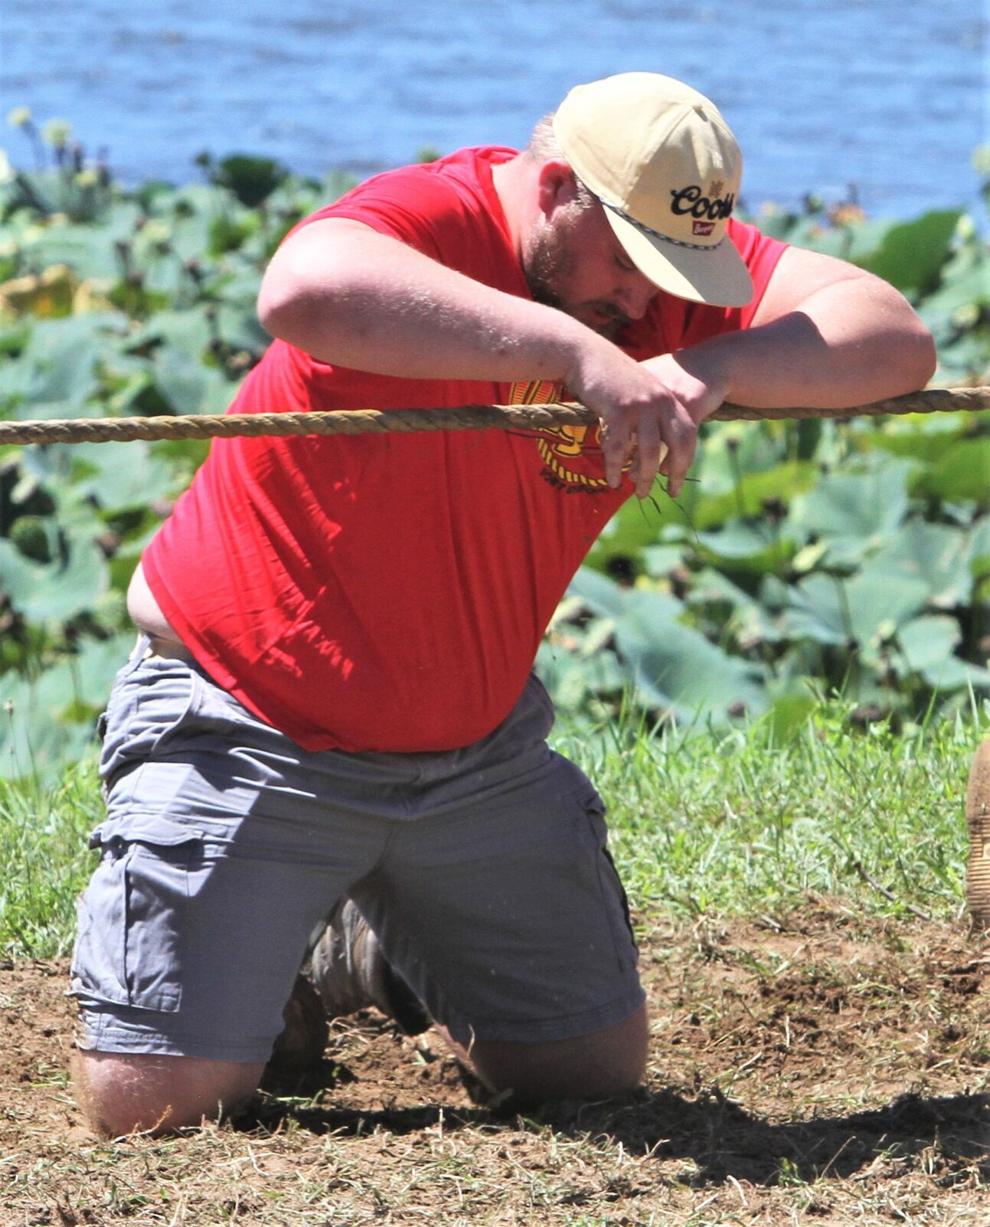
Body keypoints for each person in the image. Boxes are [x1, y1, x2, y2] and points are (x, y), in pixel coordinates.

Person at [69, 72, 935, 1137]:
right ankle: (285, 931)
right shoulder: (438, 210)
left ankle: (363, 944)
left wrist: (709, 367)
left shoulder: (666, 276)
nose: (640, 299)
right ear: (562, 187)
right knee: (150, 1106)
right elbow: (303, 288)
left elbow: (893, 335)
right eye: (627, 264)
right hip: (247, 718)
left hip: (474, 752)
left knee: (589, 1073)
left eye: (670, 271)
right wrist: (569, 349)